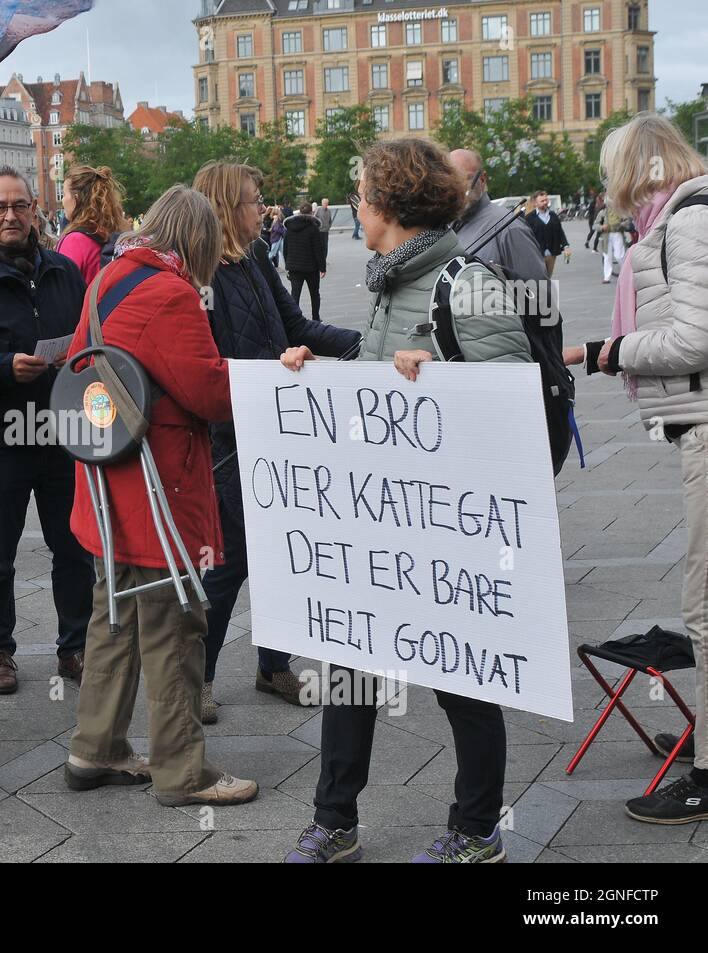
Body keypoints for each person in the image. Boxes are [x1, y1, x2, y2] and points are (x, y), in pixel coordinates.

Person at [281, 138, 533, 864]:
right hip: (384, 522)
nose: (353, 206)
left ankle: (477, 829)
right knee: (350, 666)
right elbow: (375, 396)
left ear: (387, 205)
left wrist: (445, 374)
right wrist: (315, 373)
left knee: (462, 679)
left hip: (448, 530)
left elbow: (507, 407)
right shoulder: (391, 282)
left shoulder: (467, 283)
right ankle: (335, 820)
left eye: (360, 193)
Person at [63, 185, 257, 807]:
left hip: (106, 485)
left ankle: (95, 747)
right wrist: (260, 375)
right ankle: (182, 772)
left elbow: (80, 367)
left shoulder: (110, 278)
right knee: (175, 626)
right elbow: (208, 392)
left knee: (112, 616)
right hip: (160, 490)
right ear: (198, 240)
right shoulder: (171, 294)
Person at [192, 161, 361, 724]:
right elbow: (205, 367)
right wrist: (268, 369)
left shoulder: (257, 255)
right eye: (251, 199)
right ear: (222, 205)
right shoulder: (198, 274)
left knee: (282, 552)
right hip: (228, 440)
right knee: (232, 560)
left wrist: (365, 344)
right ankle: (200, 677)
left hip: (279, 432)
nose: (261, 207)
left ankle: (271, 665)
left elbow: (297, 328)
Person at [580, 113, 708, 825]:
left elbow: (694, 337)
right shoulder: (686, 213)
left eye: (615, 172)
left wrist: (617, 351)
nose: (614, 189)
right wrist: (604, 348)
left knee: (704, 605)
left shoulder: (688, 220)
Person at [0, 167, 94, 694]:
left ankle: (74, 646)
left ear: (35, 209)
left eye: (20, 206)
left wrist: (77, 359)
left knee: (73, 547)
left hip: (61, 431)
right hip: (1, 435)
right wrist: (3, 368)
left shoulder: (64, 272)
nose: (11, 216)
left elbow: (90, 341)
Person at [449, 149, 552, 283]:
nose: (457, 189)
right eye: (450, 181)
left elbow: (540, 294)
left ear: (482, 179)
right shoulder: (446, 224)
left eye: (464, 180)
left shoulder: (510, 228)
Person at [56, 165, 129, 285]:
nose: (62, 201)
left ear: (76, 199)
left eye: (64, 194)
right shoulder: (109, 231)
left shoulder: (74, 241)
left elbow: (61, 289)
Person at [283, 202, 327, 321]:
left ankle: (294, 319)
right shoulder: (313, 228)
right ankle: (316, 318)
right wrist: (322, 268)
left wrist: (288, 264)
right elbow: (318, 250)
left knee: (295, 294)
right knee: (314, 294)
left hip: (294, 268)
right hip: (311, 268)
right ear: (311, 213)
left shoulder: (289, 228)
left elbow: (285, 248)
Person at [525, 190, 570, 278]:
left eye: (546, 200)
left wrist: (566, 246)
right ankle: (541, 291)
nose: (545, 202)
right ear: (535, 203)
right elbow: (526, 237)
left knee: (548, 277)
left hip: (551, 253)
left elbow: (560, 232)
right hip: (536, 253)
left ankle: (545, 291)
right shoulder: (529, 218)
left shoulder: (553, 216)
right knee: (539, 277)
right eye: (542, 201)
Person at [597, 201, 631, 283]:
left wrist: (620, 225)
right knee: (607, 256)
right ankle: (607, 277)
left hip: (617, 234)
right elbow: (595, 225)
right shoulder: (602, 213)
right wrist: (602, 227)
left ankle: (625, 273)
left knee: (619, 255)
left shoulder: (621, 212)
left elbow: (627, 222)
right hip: (606, 236)